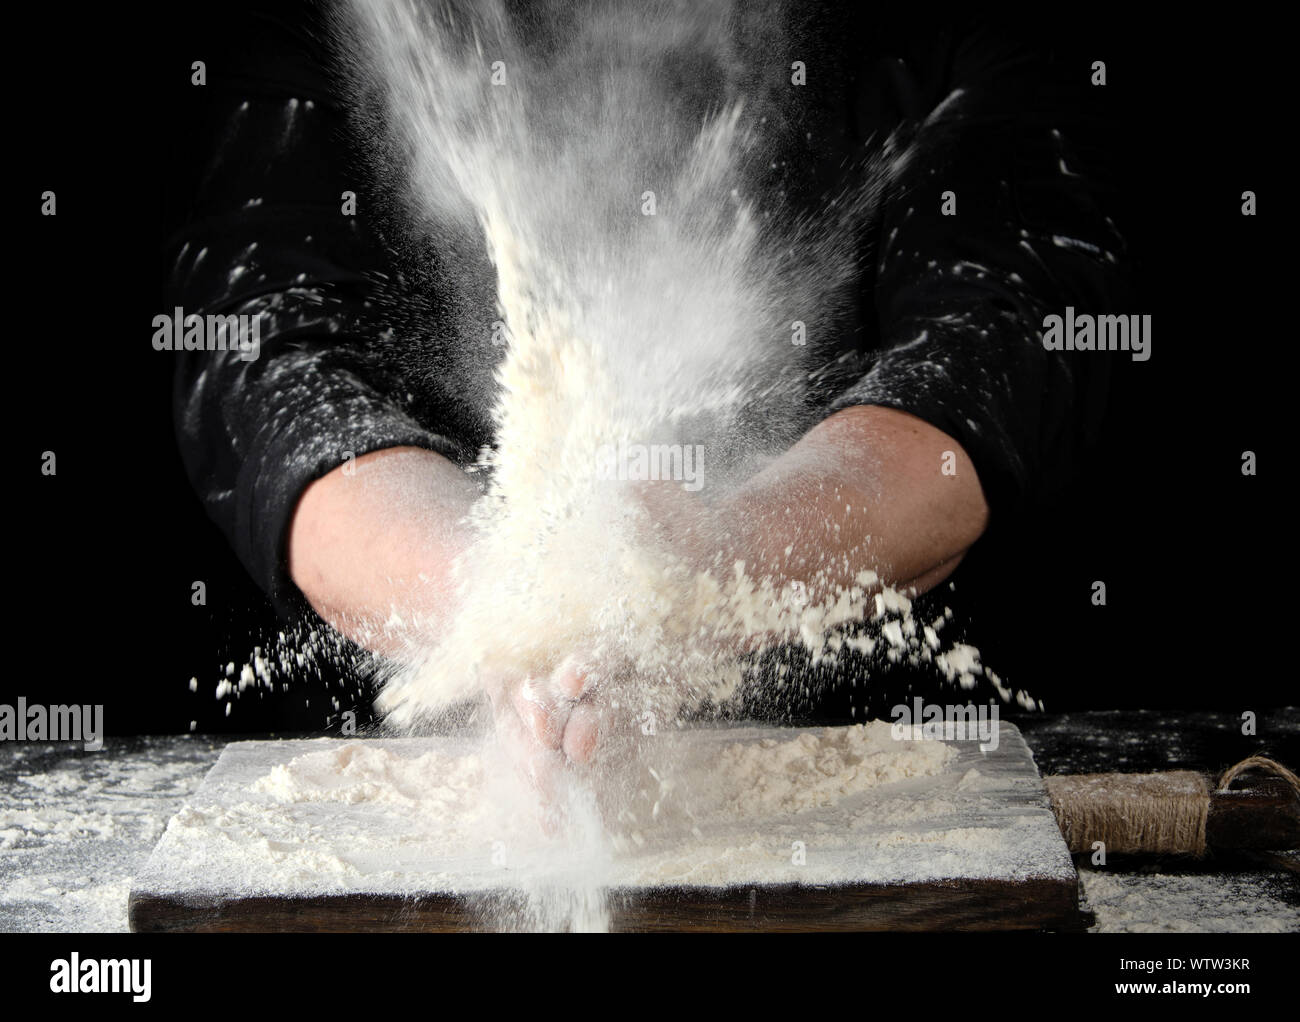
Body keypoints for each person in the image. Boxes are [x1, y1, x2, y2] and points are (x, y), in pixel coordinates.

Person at [169, 1, 1128, 780]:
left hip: (889, 772)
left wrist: (702, 570)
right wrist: (511, 611)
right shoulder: (363, 21)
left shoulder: (938, 31)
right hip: (410, 786)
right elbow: (266, 351)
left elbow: (1007, 330)